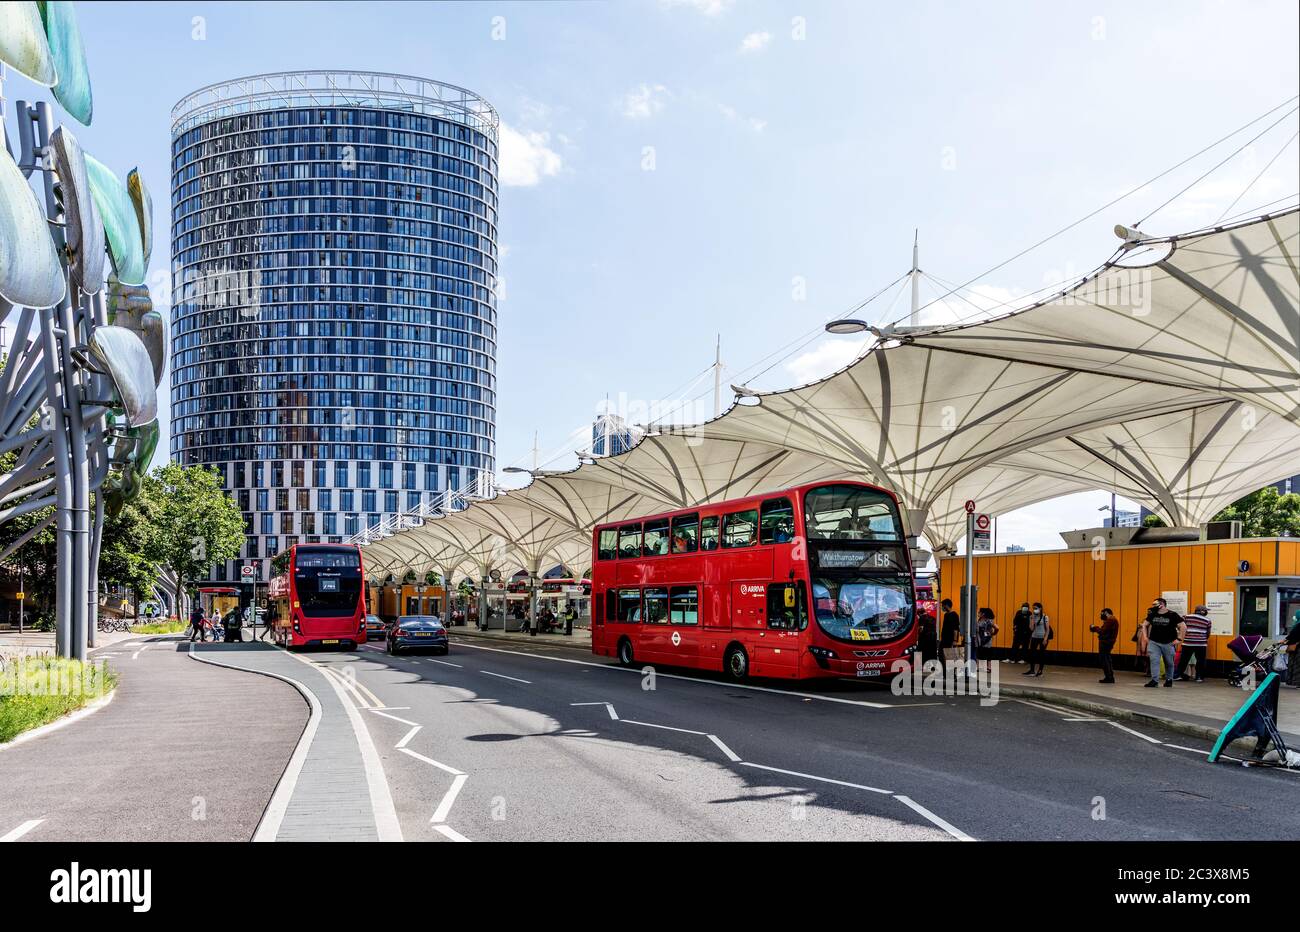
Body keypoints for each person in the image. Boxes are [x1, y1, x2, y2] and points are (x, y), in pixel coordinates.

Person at [1142, 597, 1184, 688]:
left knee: (1169, 662)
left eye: (1155, 604)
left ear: (1162, 605)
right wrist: (1145, 637)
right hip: (1154, 642)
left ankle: (1169, 680)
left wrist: (1179, 639)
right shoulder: (1152, 614)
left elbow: (1183, 626)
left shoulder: (1173, 615)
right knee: (1154, 660)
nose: (1153, 606)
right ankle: (1154, 680)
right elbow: (1144, 625)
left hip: (1168, 642)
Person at [1175, 605, 1212, 682]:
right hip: (1201, 643)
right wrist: (1203, 638)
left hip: (1188, 642)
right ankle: (1199, 677)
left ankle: (1177, 675)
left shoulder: (1186, 617)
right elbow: (1208, 633)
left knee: (1183, 660)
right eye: (1206, 611)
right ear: (1202, 611)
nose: (1206, 612)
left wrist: (1183, 634)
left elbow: (1179, 626)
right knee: (1200, 661)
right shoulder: (1207, 620)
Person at [1089, 608, 1120, 683]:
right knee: (1107, 659)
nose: (1101, 615)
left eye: (1101, 613)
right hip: (1108, 642)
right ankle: (1110, 676)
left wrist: (1094, 627)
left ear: (1106, 613)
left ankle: (1109, 677)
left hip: (1105, 642)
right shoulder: (1113, 620)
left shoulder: (1110, 620)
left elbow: (1102, 631)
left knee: (1104, 660)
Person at [1023, 602, 1051, 676]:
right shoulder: (1032, 617)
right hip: (1034, 637)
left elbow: (1047, 629)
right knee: (1032, 654)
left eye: (1036, 608)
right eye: (1033, 608)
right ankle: (1032, 670)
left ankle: (1040, 671)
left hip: (1043, 638)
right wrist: (1032, 619)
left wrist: (1045, 639)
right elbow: (1031, 628)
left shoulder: (1045, 617)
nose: (1034, 610)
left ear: (1040, 608)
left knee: (1041, 654)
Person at [974, 607, 998, 676]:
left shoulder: (988, 620)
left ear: (983, 614)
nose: (978, 613)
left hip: (986, 640)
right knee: (978, 653)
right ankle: (978, 666)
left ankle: (989, 667)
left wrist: (993, 633)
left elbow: (997, 627)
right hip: (979, 639)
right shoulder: (979, 620)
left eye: (979, 612)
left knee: (987, 653)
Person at [939, 599, 961, 674]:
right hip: (944, 639)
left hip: (950, 640)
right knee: (942, 655)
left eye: (943, 605)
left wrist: (954, 640)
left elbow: (956, 629)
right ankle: (945, 672)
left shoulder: (954, 615)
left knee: (949, 656)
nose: (942, 607)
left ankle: (950, 673)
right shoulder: (946, 615)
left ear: (947, 605)